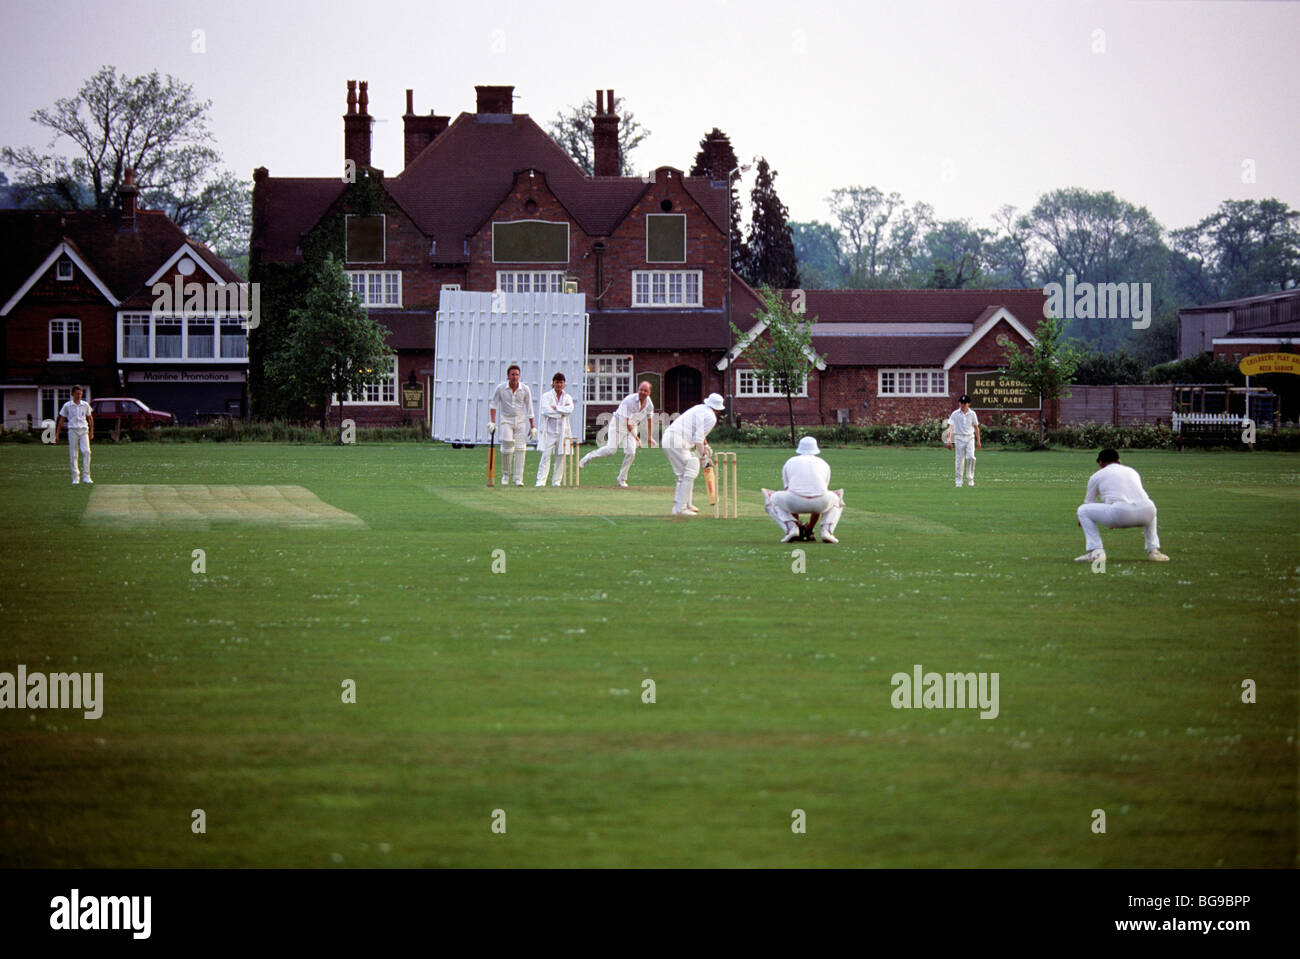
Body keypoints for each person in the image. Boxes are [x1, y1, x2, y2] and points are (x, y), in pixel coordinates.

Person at [1075, 448, 1169, 563]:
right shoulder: (1132, 471)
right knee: (1149, 507)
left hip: (1120, 513)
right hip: (1147, 511)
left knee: (1082, 510)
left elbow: (1089, 503)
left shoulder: (1096, 476)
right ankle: (1153, 551)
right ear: (1119, 461)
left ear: (1100, 463)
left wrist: (1106, 517)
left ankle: (1097, 553)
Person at [763, 436, 844, 544]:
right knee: (836, 497)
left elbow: (789, 491)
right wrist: (809, 528)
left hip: (794, 502)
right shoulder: (824, 463)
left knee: (771, 498)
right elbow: (820, 492)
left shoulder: (790, 462)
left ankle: (792, 528)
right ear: (816, 449)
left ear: (799, 448)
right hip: (820, 502)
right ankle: (826, 531)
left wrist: (798, 525)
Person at [578, 380, 656, 487]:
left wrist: (650, 437)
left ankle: (622, 479)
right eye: (641, 389)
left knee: (631, 452)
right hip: (618, 424)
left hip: (632, 426)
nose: (642, 392)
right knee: (611, 450)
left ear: (649, 392)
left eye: (645, 390)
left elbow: (649, 419)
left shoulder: (649, 403)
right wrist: (637, 439)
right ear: (638, 390)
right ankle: (589, 457)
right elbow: (628, 424)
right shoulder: (629, 400)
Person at [660, 393, 725, 516]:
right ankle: (681, 508)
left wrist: (706, 446)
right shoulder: (711, 417)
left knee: (685, 473)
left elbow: (699, 435)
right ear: (718, 409)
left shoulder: (700, 408)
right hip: (677, 441)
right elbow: (698, 439)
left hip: (669, 438)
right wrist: (704, 457)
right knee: (691, 468)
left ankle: (685, 505)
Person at [488, 364, 536, 487]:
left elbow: (529, 408)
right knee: (507, 444)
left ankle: (518, 478)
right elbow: (493, 405)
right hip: (506, 420)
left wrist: (533, 426)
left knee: (520, 449)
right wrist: (492, 422)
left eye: (517, 374)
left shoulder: (525, 389)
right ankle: (505, 475)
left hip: (520, 421)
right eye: (512, 374)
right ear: (508, 376)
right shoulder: (501, 388)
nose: (515, 377)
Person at [535, 372, 574, 487]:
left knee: (561, 457)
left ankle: (556, 482)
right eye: (557, 382)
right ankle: (540, 482)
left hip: (563, 431)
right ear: (553, 383)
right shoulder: (546, 396)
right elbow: (546, 411)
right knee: (545, 456)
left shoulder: (567, 397)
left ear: (564, 384)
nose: (559, 384)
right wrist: (561, 412)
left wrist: (556, 408)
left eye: (561, 382)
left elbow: (570, 409)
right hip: (549, 432)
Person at [55, 385, 94, 485]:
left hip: (84, 430)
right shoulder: (67, 405)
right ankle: (75, 478)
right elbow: (61, 419)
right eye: (77, 394)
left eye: (80, 394)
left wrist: (91, 431)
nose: (79, 396)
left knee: (86, 451)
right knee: (73, 454)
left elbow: (90, 418)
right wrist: (57, 434)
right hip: (72, 430)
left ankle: (86, 477)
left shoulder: (85, 405)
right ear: (72, 394)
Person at [946, 394, 981, 487]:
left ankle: (970, 478)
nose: (962, 405)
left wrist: (979, 441)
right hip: (959, 438)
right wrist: (949, 440)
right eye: (961, 403)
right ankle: (959, 481)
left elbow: (976, 427)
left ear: (969, 404)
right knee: (959, 460)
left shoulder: (972, 414)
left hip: (970, 437)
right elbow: (950, 427)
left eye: (965, 403)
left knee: (971, 457)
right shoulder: (955, 414)